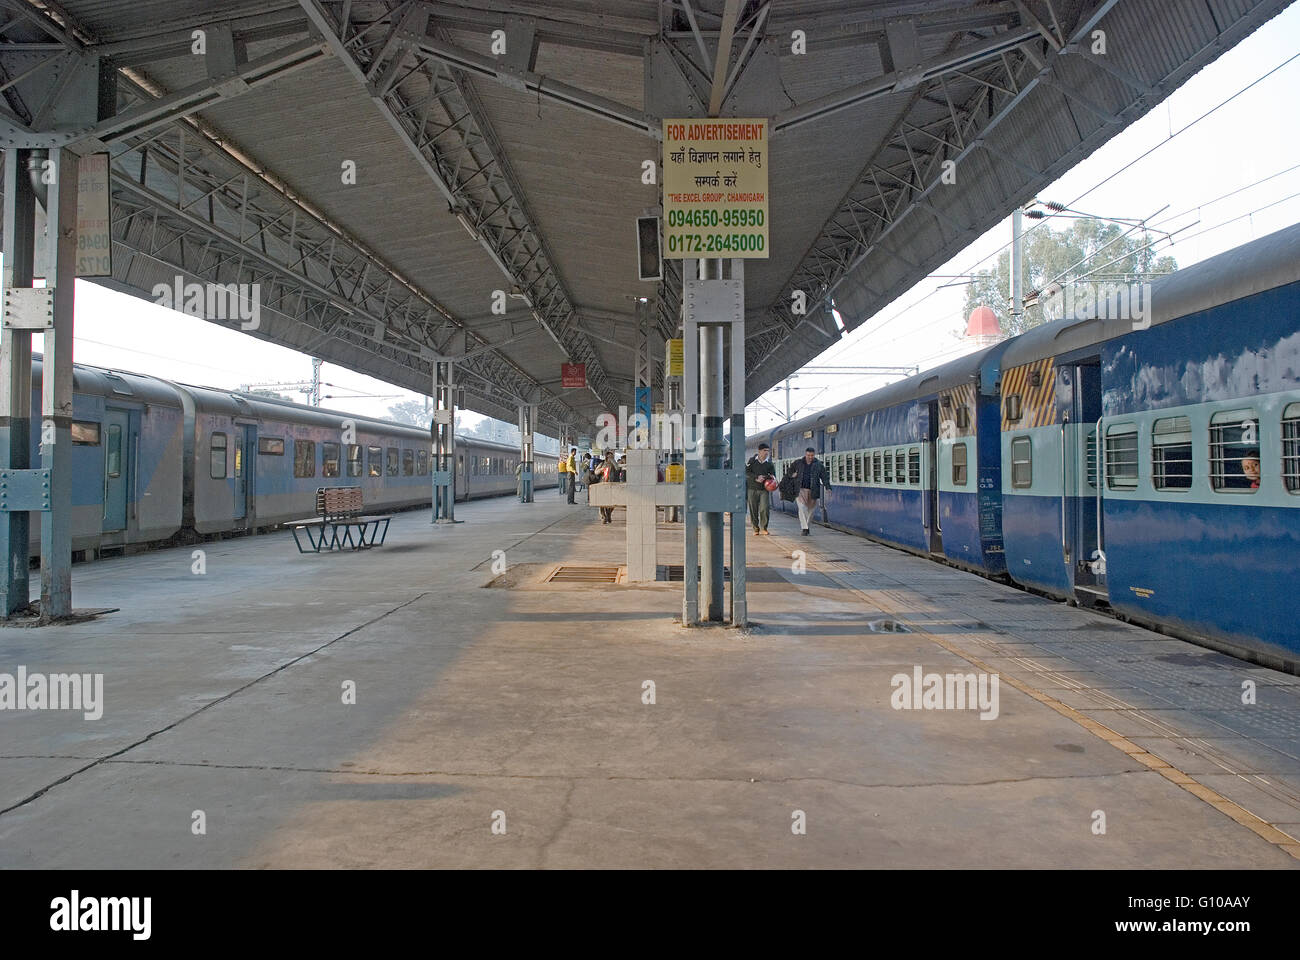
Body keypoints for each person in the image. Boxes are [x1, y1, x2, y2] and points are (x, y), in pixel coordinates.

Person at [785, 446, 831, 536]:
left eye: (812, 455)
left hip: (813, 490)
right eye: (808, 455)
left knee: (811, 510)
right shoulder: (798, 463)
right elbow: (789, 471)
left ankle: (807, 526)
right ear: (805, 454)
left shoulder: (819, 465)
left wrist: (828, 487)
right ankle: (804, 528)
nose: (810, 457)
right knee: (802, 508)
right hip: (800, 489)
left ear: (814, 455)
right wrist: (792, 474)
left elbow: (824, 476)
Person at [746, 442, 776, 535]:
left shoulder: (769, 464)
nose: (766, 453)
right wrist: (756, 477)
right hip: (752, 488)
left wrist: (765, 477)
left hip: (764, 490)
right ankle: (755, 528)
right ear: (759, 451)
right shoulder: (752, 461)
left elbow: (772, 476)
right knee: (753, 509)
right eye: (764, 451)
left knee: (764, 508)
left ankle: (764, 528)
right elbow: (746, 472)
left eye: (768, 451)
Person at [596, 451, 619, 523]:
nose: (611, 458)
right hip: (602, 484)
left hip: (612, 484)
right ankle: (603, 516)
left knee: (612, 502)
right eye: (609, 457)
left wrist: (613, 461)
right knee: (601, 502)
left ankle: (609, 513)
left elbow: (617, 468)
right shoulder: (602, 463)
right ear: (606, 457)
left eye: (612, 457)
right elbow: (596, 472)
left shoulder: (613, 464)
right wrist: (601, 470)